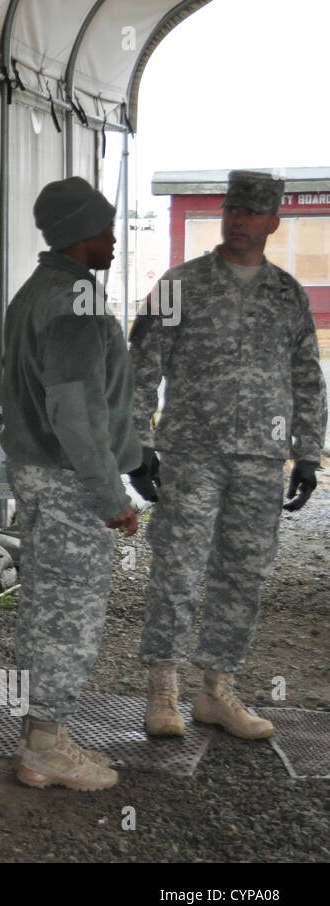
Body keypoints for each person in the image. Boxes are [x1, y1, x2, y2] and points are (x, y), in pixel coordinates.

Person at [129, 170, 326, 740]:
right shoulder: (179, 285)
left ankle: (217, 691)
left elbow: (306, 378)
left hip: (261, 461)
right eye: (232, 211)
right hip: (191, 454)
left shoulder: (287, 294)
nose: (238, 222)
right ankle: (162, 689)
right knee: (178, 569)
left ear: (272, 222)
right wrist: (137, 444)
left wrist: (307, 454)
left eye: (251, 214)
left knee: (243, 574)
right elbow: (142, 367)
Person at [0, 176, 145, 791]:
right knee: (71, 615)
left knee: (43, 607)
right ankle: (45, 749)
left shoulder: (36, 291)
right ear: (80, 235)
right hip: (70, 483)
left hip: (39, 474)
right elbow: (75, 410)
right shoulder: (74, 302)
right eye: (106, 230)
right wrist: (112, 497)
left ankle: (46, 734)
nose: (113, 241)